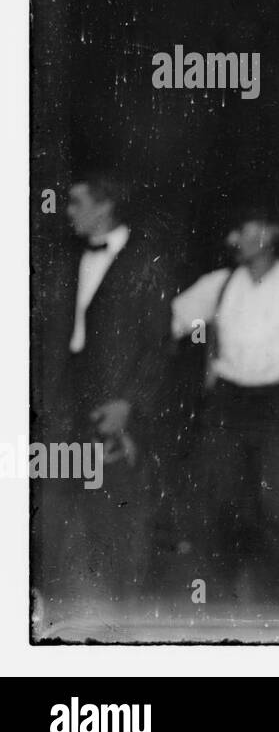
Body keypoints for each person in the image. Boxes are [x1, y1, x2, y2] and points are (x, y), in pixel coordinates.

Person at [171, 205, 279, 607]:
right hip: (229, 400)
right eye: (235, 233)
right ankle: (224, 591)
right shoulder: (219, 284)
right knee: (224, 497)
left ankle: (271, 596)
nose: (236, 241)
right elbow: (170, 319)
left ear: (271, 233)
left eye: (245, 231)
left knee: (274, 501)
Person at [34, 171, 175, 615]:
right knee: (54, 508)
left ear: (105, 205)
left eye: (77, 202)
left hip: (115, 404)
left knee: (117, 513)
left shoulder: (147, 261)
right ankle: (55, 617)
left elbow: (159, 345)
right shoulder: (64, 260)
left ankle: (126, 621)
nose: (68, 212)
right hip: (64, 402)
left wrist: (129, 403)